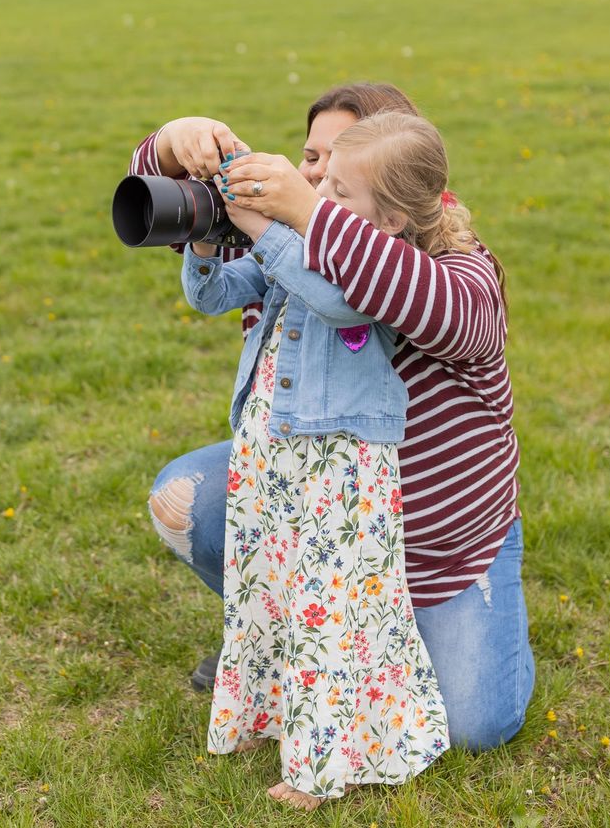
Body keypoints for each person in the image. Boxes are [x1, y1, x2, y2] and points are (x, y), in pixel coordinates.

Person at [128, 83, 533, 759]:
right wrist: (175, 142)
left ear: (400, 189)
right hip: (312, 505)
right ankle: (284, 641)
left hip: (439, 553)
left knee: (471, 726)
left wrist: (310, 215)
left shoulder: (461, 268)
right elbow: (181, 223)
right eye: (310, 157)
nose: (310, 176)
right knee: (188, 504)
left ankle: (444, 621)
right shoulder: (292, 238)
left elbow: (431, 307)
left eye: (337, 169)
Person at [184, 114, 449, 808]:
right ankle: (256, 716)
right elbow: (210, 295)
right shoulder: (296, 244)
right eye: (320, 177)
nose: (317, 194)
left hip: (339, 467)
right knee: (262, 590)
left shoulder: (382, 273)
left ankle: (318, 768)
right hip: (270, 453)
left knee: (323, 609)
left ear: (388, 221)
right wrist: (211, 236)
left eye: (340, 189)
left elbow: (335, 302)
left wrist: (269, 231)